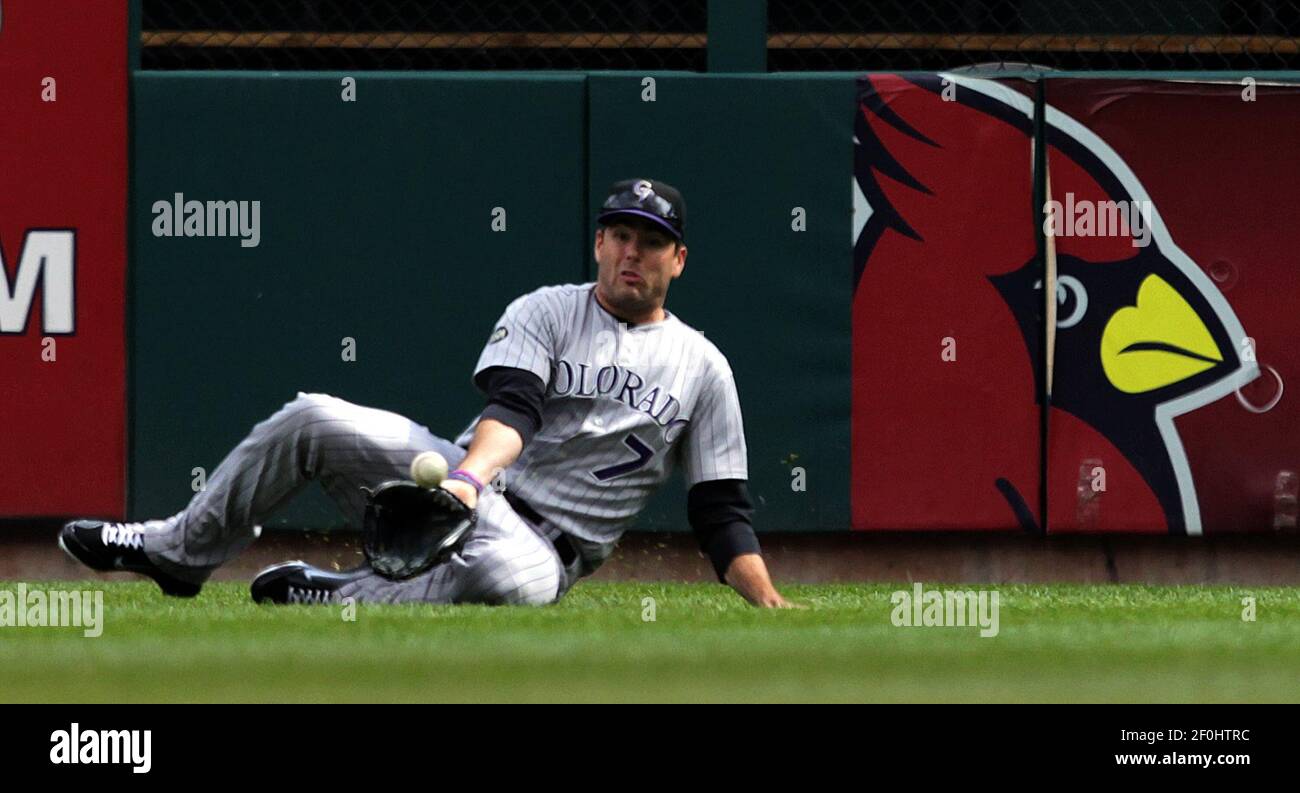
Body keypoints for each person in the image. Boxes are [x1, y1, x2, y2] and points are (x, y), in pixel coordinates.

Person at [59, 178, 794, 608]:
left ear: (680, 258)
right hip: (466, 479)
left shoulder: (704, 367)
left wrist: (769, 602)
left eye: (651, 240)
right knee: (314, 415)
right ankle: (180, 548)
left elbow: (720, 511)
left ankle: (335, 597)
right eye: (620, 235)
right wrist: (470, 480)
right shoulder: (545, 310)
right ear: (598, 243)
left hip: (546, 549)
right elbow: (515, 410)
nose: (633, 251)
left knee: (509, 579)